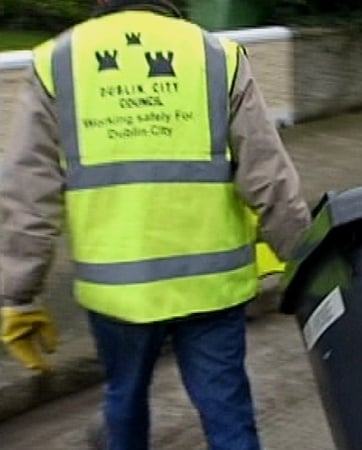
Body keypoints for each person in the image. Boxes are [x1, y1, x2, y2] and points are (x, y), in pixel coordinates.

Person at [0, 0, 311, 449]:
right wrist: (305, 259)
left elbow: (29, 191)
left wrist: (20, 293)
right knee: (227, 412)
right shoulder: (214, 55)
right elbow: (268, 175)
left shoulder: (57, 62)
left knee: (124, 400)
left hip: (119, 289)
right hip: (211, 284)